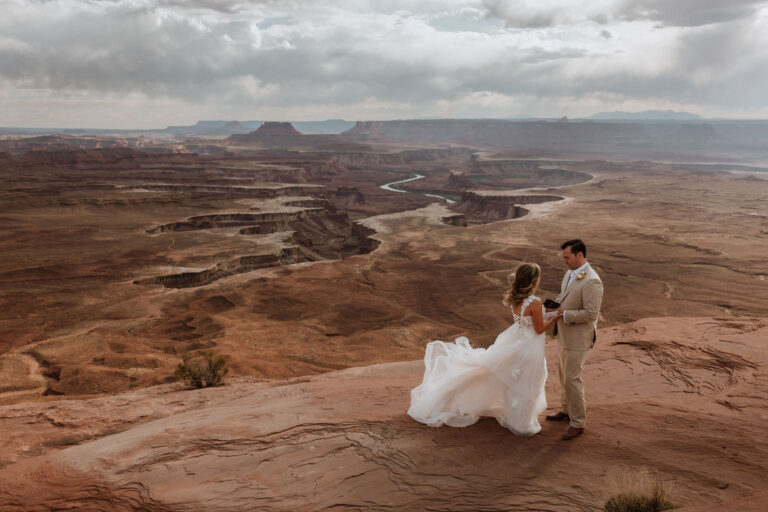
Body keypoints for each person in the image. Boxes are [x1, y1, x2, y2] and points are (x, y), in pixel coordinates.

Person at [408, 263, 560, 436]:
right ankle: (522, 424)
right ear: (534, 280)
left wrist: (544, 315)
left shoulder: (516, 299)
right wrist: (554, 317)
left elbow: (528, 322)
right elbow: (539, 329)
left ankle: (517, 417)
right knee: (529, 382)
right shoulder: (535, 302)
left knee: (514, 382)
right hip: (529, 348)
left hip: (516, 343)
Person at [545, 239, 604, 440]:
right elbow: (565, 296)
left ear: (580, 255)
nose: (564, 261)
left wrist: (563, 314)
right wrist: (555, 307)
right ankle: (565, 410)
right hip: (564, 335)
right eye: (563, 257)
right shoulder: (570, 273)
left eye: (567, 257)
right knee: (564, 376)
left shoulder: (592, 280)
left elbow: (591, 313)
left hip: (578, 338)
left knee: (573, 378)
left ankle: (578, 422)